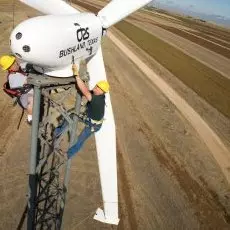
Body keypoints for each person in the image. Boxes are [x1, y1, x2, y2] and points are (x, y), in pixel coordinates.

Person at [56, 64, 109, 159]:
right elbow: (87, 91)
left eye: (98, 88)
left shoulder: (97, 100)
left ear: (102, 92)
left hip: (93, 125)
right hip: (89, 118)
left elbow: (85, 91)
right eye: (96, 85)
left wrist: (77, 76)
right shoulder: (99, 94)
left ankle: (67, 155)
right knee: (71, 116)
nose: (95, 87)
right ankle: (57, 132)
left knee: (80, 140)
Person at [0, 55, 33, 124]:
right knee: (33, 101)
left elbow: (25, 64)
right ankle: (30, 118)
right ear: (10, 69)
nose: (16, 63)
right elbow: (29, 80)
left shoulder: (17, 69)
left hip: (28, 90)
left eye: (15, 61)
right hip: (24, 96)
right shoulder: (13, 78)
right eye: (13, 63)